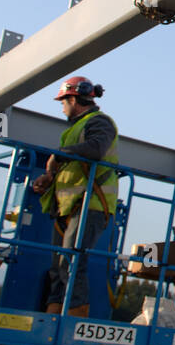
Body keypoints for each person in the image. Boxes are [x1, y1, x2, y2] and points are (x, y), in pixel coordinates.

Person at [30, 76, 119, 316]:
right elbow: (72, 165)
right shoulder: (73, 130)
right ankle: (54, 312)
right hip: (70, 206)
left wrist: (59, 156)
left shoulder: (100, 122)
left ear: (73, 99)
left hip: (91, 205)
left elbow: (96, 149)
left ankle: (73, 318)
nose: (61, 107)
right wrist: (49, 177)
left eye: (63, 102)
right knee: (59, 263)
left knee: (71, 261)